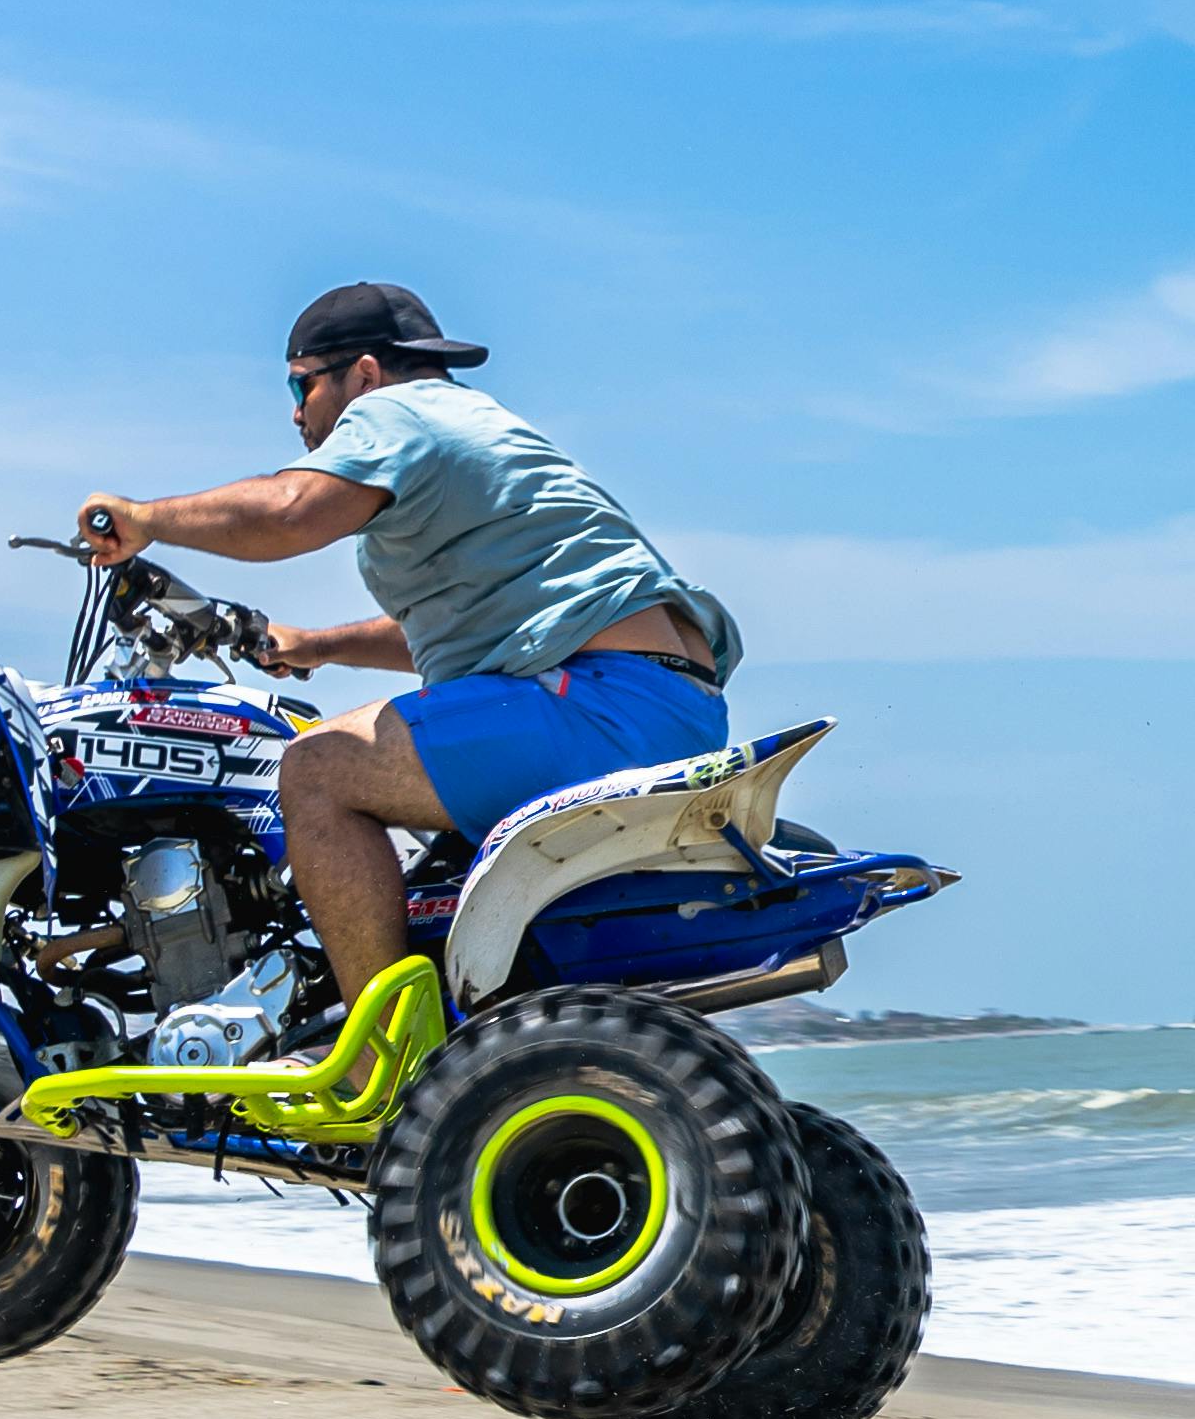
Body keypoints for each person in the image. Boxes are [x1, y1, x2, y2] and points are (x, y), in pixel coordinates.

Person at [71, 282, 741, 1010]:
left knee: (319, 769)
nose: (296, 412)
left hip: (601, 703)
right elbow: (481, 618)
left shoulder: (396, 411)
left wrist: (144, 519)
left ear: (361, 373)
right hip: (667, 701)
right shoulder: (478, 428)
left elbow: (290, 511)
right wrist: (318, 645)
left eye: (301, 384)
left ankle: (377, 1054)